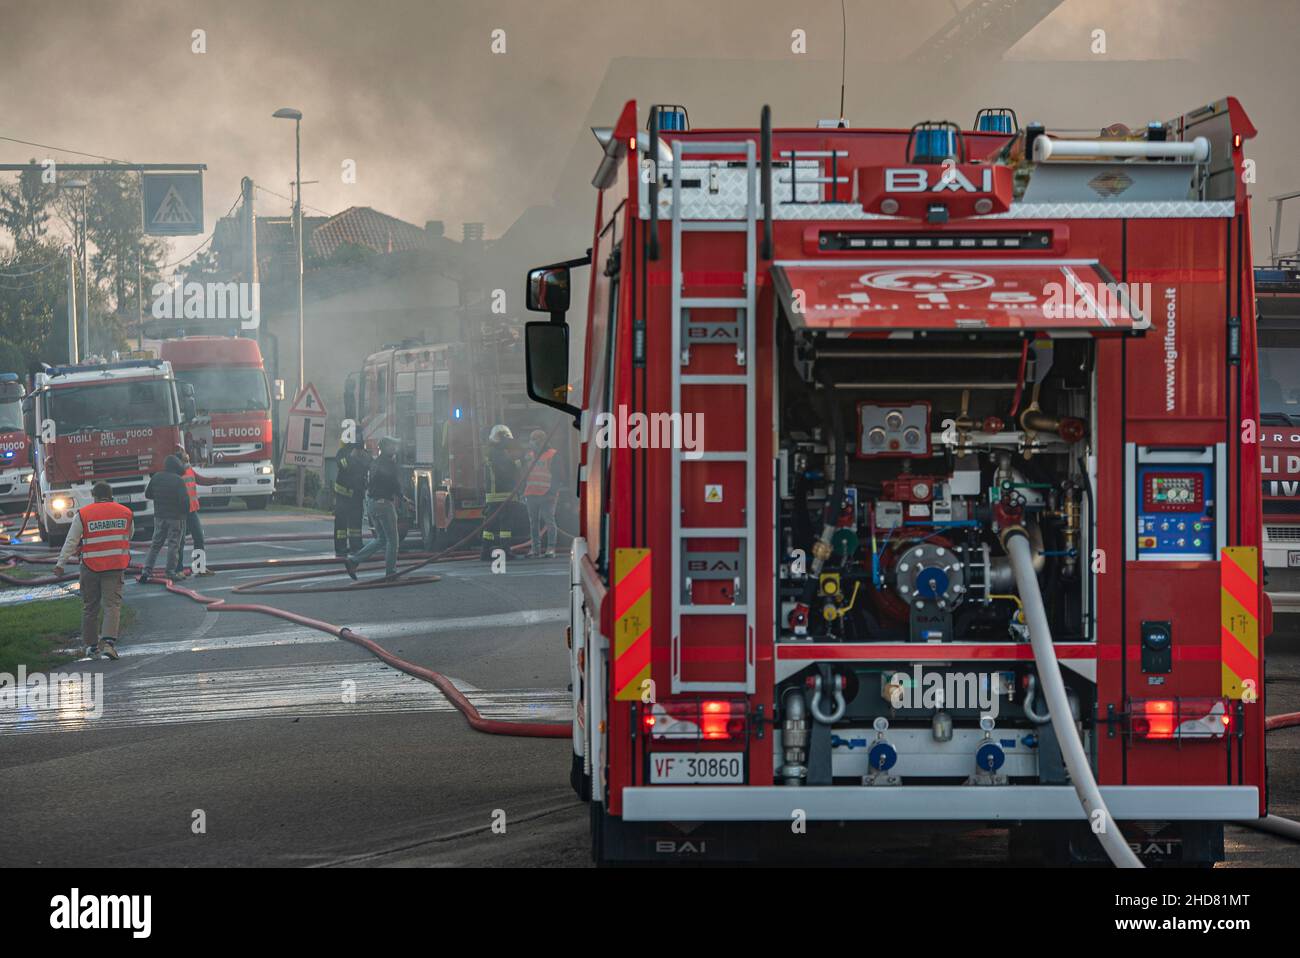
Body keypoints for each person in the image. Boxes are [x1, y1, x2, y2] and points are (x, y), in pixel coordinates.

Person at [53, 482, 133, 660]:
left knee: (90, 607)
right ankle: (109, 643)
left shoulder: (84, 514)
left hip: (90, 566)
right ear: (111, 495)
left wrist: (60, 564)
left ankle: (91, 646)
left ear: (94, 496)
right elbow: (129, 535)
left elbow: (71, 541)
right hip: (115, 565)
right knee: (112, 605)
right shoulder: (126, 512)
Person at [343, 436, 406, 580]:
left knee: (382, 539)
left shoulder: (375, 462)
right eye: (392, 446)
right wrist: (402, 496)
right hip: (384, 504)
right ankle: (391, 572)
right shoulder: (389, 464)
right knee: (392, 540)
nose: (395, 449)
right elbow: (394, 484)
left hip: (372, 503)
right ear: (386, 448)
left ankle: (353, 560)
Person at [139, 454, 190, 583]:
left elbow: (148, 494)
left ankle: (146, 571)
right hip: (175, 518)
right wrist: (184, 514)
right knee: (173, 545)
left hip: (159, 517)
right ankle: (170, 572)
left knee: (155, 545)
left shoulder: (156, 477)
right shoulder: (178, 480)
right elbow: (184, 502)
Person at [172, 446, 221, 577]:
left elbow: (200, 480)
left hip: (192, 510)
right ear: (179, 456)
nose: (187, 454)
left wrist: (215, 480)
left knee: (198, 537)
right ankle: (178, 570)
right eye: (184, 452)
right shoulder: (175, 472)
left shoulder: (188, 469)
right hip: (180, 512)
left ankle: (199, 568)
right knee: (180, 541)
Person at [481, 424, 521, 560]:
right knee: (505, 525)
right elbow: (506, 471)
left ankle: (486, 552)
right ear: (502, 439)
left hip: (493, 494)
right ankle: (504, 551)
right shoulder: (499, 453)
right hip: (503, 493)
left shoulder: (491, 451)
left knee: (490, 525)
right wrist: (518, 463)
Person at [523, 429, 560, 558]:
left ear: (543, 440)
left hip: (547, 493)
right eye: (532, 438)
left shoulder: (552, 454)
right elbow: (523, 473)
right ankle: (535, 549)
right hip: (531, 493)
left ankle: (551, 548)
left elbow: (559, 475)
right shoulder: (529, 455)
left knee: (549, 521)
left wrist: (552, 491)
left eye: (536, 438)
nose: (533, 441)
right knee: (533, 522)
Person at [333, 438, 372, 557]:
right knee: (341, 524)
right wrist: (352, 457)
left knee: (356, 523)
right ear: (353, 448)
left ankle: (356, 545)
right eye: (358, 450)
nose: (360, 452)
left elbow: (373, 466)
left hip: (357, 494)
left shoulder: (365, 456)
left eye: (362, 450)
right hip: (343, 495)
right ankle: (341, 548)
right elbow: (342, 465)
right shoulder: (343, 453)